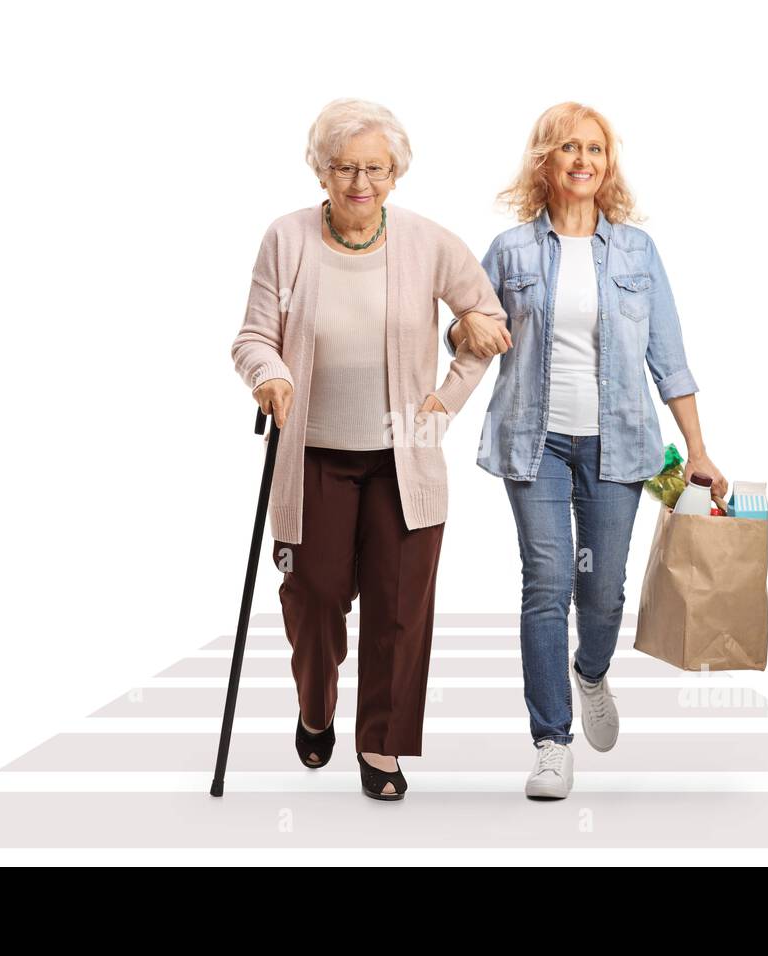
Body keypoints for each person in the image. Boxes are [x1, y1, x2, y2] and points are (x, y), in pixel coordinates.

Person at [446, 102, 728, 799]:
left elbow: (670, 357)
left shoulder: (637, 251)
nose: (582, 160)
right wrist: (453, 355)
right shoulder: (510, 250)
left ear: (608, 164)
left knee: (601, 593)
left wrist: (698, 450)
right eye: (569, 147)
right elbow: (469, 336)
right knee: (546, 584)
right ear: (546, 158)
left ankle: (592, 670)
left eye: (595, 149)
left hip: (621, 447)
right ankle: (550, 742)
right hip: (533, 443)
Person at [231, 98, 503, 800]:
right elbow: (253, 336)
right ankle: (316, 705)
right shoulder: (287, 239)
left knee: (399, 605)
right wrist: (272, 375)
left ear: (396, 173)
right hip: (313, 453)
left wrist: (449, 386)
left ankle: (381, 747)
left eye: (375, 168)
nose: (360, 182)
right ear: (320, 170)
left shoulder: (427, 242)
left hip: (403, 459)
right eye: (345, 167)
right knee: (314, 594)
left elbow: (489, 318)